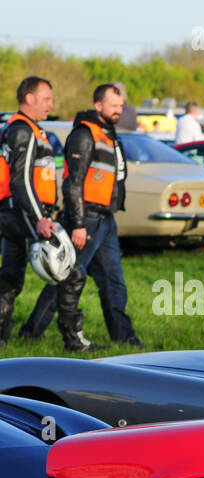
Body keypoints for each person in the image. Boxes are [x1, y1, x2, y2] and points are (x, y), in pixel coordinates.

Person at [42, 83, 140, 350]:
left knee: (113, 282)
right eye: (113, 106)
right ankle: (33, 331)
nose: (119, 110)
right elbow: (73, 183)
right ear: (98, 105)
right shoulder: (85, 134)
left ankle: (125, 338)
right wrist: (78, 223)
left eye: (121, 106)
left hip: (106, 220)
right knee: (66, 277)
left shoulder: (109, 135)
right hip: (88, 219)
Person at [0, 76, 59, 347]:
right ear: (29, 98)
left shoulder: (26, 128)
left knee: (10, 277)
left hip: (15, 211)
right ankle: (71, 338)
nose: (51, 104)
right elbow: (20, 181)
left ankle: (4, 337)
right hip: (21, 212)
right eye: (46, 99)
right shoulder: (23, 130)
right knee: (68, 271)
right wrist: (40, 218)